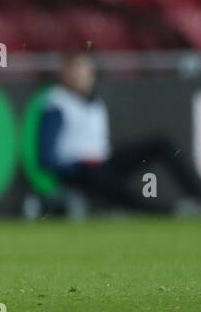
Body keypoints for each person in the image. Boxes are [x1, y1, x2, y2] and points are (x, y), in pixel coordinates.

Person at [39, 53, 201, 213]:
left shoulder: (95, 102)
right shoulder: (57, 105)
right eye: (79, 71)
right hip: (82, 171)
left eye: (87, 71)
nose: (85, 76)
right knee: (112, 185)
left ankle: (197, 195)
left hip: (104, 161)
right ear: (67, 74)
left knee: (161, 143)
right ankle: (166, 211)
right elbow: (47, 157)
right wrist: (77, 167)